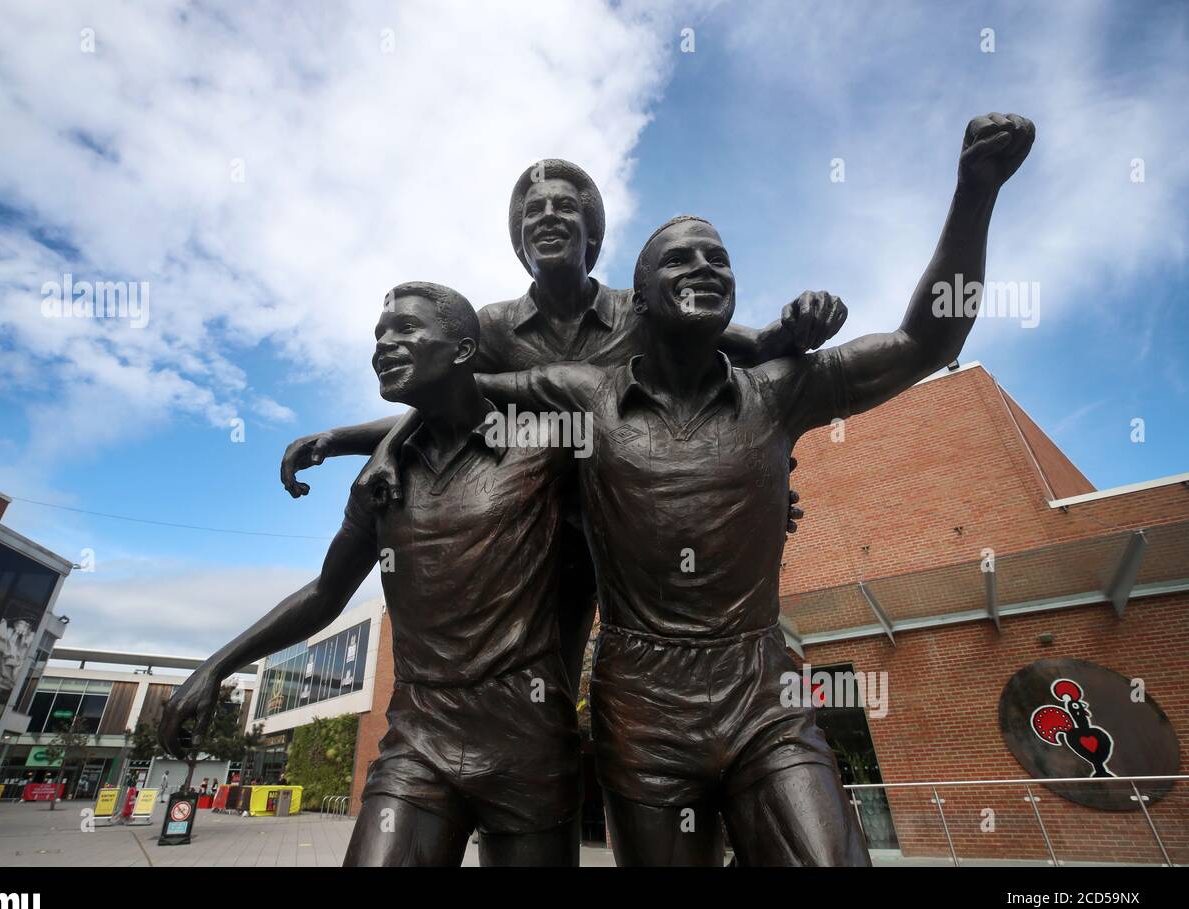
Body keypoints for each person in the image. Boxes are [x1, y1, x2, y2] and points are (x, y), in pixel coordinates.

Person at [437, 113, 1034, 865]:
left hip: (762, 697)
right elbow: (453, 396)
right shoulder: (584, 398)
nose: (705, 268)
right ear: (640, 303)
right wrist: (378, 446)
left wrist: (975, 194)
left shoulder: (782, 392)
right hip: (641, 705)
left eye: (717, 258)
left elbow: (928, 342)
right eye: (679, 261)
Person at [278, 160, 842, 692]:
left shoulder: (643, 308)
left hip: (640, 511)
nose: (547, 216)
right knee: (552, 672)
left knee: (684, 650)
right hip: (547, 525)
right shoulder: (493, 328)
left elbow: (759, 347)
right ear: (520, 242)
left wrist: (802, 323)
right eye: (532, 211)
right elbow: (443, 397)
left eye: (564, 208)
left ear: (590, 235)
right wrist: (354, 442)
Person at [161, 282, 586, 866]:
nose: (384, 344)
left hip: (529, 744)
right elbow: (324, 595)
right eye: (379, 335)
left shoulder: (548, 445)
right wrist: (217, 665)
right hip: (419, 742)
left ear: (464, 351)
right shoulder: (378, 483)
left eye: (406, 330)